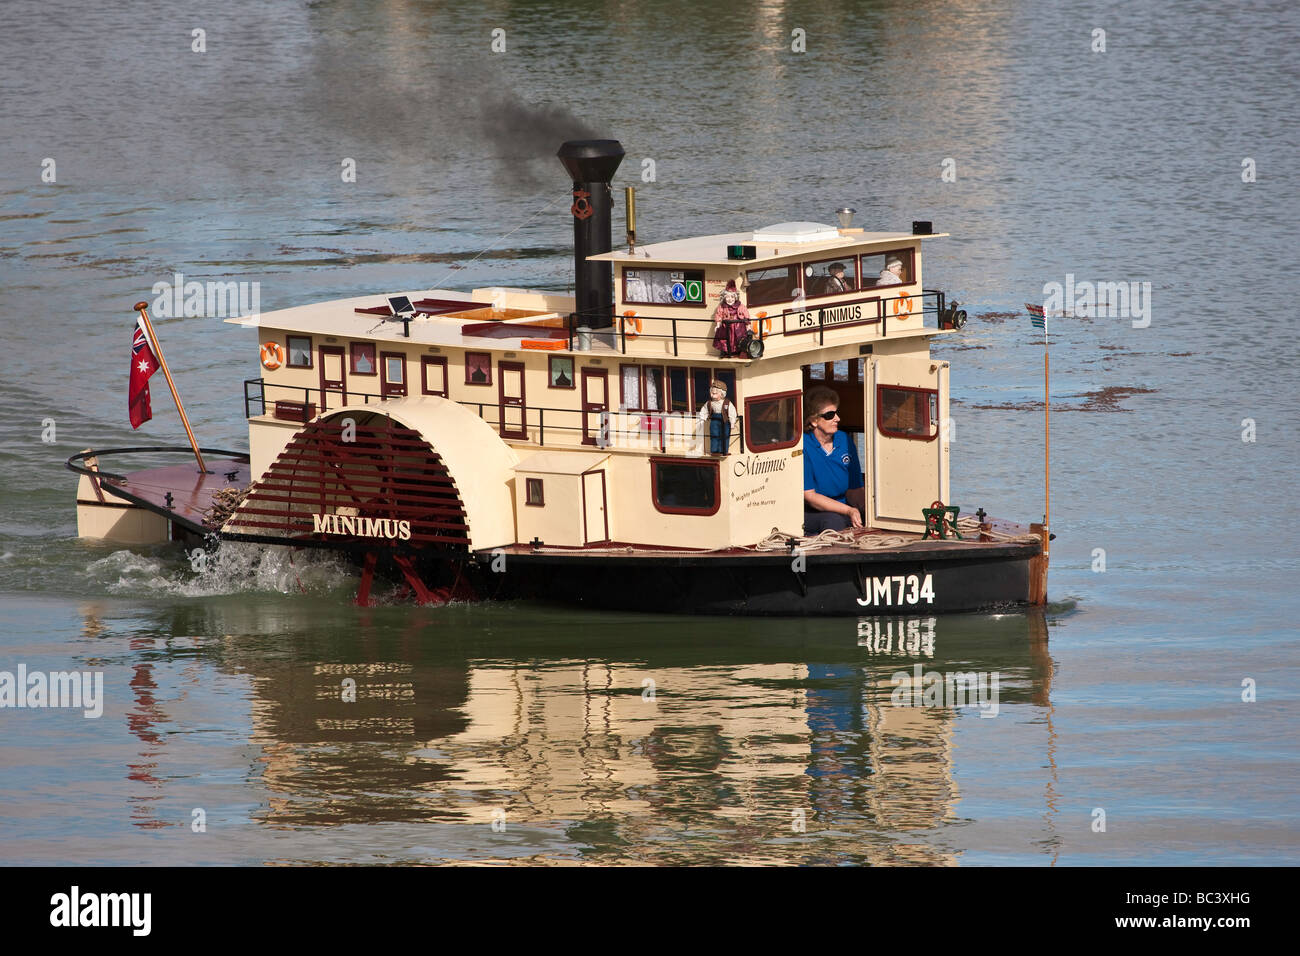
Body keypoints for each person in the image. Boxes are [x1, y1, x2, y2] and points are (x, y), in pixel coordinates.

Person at [802, 385, 864, 532]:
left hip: (843, 507)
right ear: (814, 421)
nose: (837, 418)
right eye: (830, 415)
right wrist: (849, 511)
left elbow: (853, 488)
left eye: (836, 413)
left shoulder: (844, 440)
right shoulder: (803, 445)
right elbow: (810, 497)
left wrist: (865, 508)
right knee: (832, 521)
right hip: (812, 512)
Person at [697, 379, 738, 454]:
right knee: (714, 434)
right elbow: (704, 410)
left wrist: (732, 422)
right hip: (714, 420)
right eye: (712, 392)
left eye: (716, 392)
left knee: (725, 435)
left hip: (725, 421)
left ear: (722, 394)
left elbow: (732, 412)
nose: (714, 393)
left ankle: (724, 450)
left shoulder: (727, 403)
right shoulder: (709, 403)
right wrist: (702, 418)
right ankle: (715, 450)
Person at [711, 280, 751, 357]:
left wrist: (748, 325)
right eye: (728, 297)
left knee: (739, 338)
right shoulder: (722, 306)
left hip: (738, 325)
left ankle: (738, 350)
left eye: (732, 297)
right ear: (724, 298)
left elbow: (746, 315)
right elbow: (719, 314)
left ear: (735, 297)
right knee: (724, 338)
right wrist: (718, 324)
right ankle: (724, 350)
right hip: (726, 326)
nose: (730, 299)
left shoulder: (740, 306)